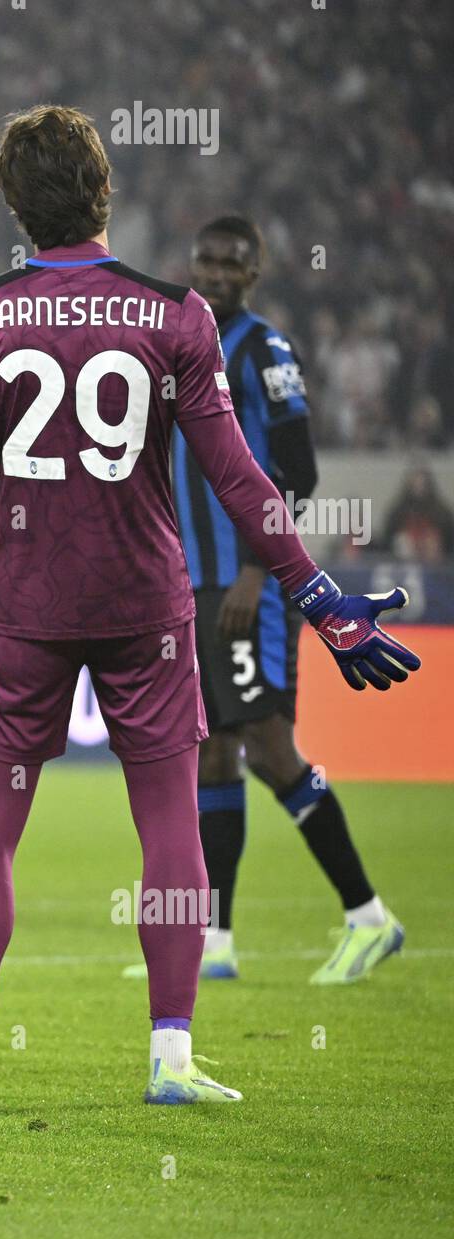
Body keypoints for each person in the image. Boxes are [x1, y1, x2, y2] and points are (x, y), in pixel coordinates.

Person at [0, 105, 420, 1106]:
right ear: (102, 190)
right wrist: (319, 598)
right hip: (145, 604)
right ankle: (169, 1058)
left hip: (21, 607)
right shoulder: (175, 316)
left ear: (12, 206)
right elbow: (245, 481)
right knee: (167, 819)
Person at [127, 214, 406, 986]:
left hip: (250, 587)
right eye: (206, 259)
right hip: (194, 586)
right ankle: (214, 941)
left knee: (270, 749)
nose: (216, 273)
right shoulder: (177, 343)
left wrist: (255, 568)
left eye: (232, 264)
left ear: (255, 272)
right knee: (213, 751)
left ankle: (368, 917)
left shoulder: (263, 348)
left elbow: (299, 471)